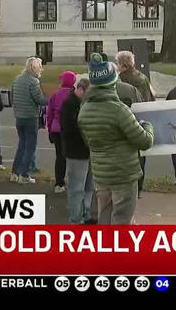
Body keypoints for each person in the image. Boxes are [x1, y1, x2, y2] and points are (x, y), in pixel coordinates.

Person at [79, 53, 154, 224]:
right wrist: (147, 125)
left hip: (101, 174)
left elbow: (88, 141)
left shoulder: (84, 110)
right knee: (122, 219)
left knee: (104, 217)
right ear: (113, 82)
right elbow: (145, 141)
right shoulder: (119, 111)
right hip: (123, 174)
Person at [116, 50, 154, 194]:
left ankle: (127, 186)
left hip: (125, 118)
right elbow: (150, 97)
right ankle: (139, 186)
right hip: (141, 117)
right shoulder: (142, 77)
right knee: (140, 155)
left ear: (122, 64)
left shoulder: (121, 80)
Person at [60, 78, 95, 224]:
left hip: (87, 151)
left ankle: (85, 214)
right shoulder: (69, 104)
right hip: (76, 152)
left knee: (88, 187)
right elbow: (70, 128)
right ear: (80, 90)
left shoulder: (83, 104)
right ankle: (76, 218)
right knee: (76, 188)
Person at [11, 57, 48, 184]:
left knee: (21, 145)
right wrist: (51, 100)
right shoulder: (33, 81)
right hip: (30, 117)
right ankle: (25, 175)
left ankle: (15, 173)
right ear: (33, 68)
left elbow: (12, 97)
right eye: (39, 67)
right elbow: (39, 100)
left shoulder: (17, 80)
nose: (41, 69)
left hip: (19, 117)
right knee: (30, 147)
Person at [47, 71, 76, 193]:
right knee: (73, 157)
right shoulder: (74, 95)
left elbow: (49, 114)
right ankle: (74, 182)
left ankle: (59, 183)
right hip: (71, 129)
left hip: (56, 129)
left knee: (60, 156)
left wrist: (49, 130)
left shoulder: (55, 95)